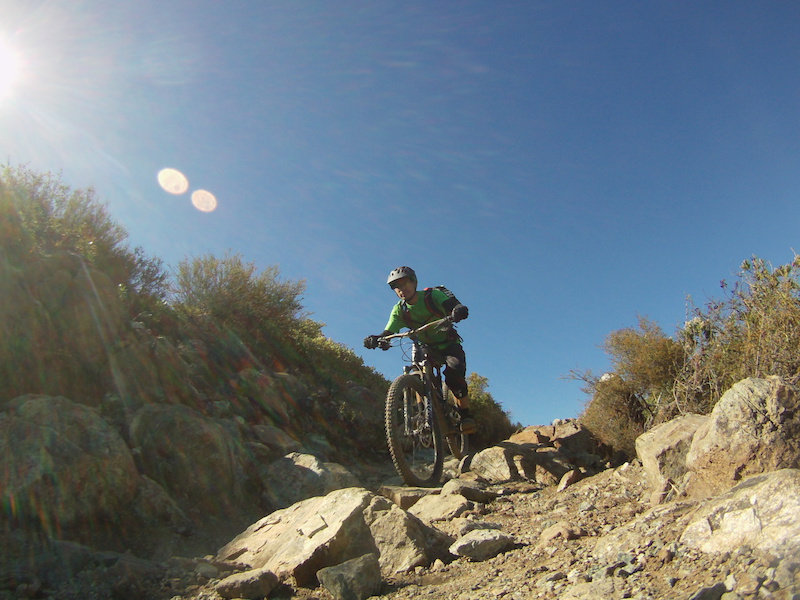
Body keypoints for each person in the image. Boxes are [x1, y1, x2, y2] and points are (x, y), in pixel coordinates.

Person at [364, 266, 476, 434]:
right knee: (419, 372)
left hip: (448, 344)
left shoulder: (432, 296)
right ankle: (424, 413)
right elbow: (388, 331)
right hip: (426, 347)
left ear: (414, 283)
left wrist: (457, 310)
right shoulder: (399, 310)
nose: (402, 289)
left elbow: (452, 304)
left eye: (405, 283)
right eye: (397, 287)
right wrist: (377, 338)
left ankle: (465, 416)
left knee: (455, 376)